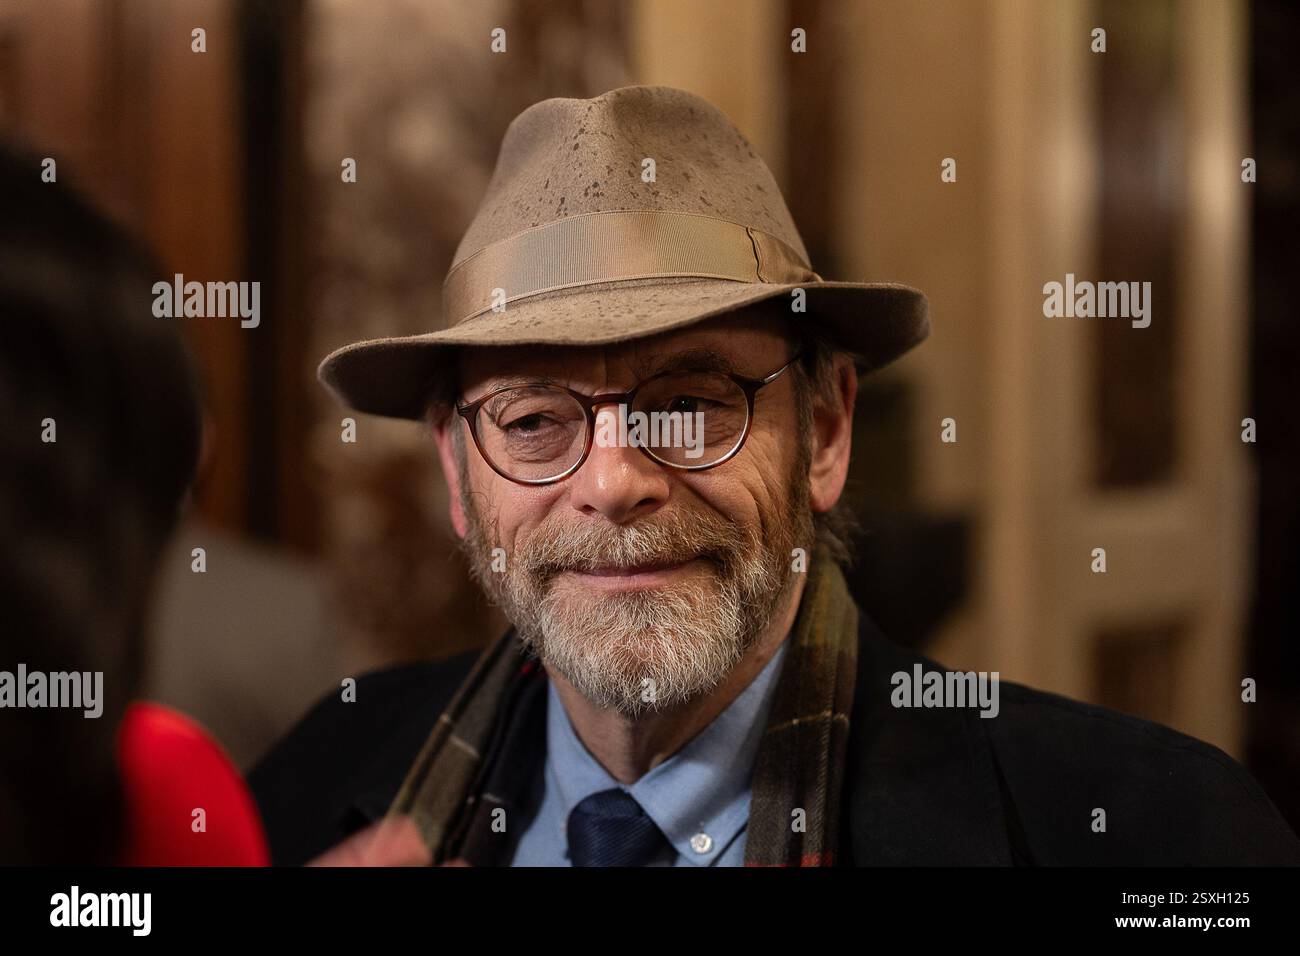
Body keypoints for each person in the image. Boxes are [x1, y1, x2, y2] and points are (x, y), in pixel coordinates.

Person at [249, 85, 1300, 866]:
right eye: (532, 419)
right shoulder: (309, 783)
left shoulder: (1160, 837)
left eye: (691, 401)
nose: (613, 482)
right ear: (455, 469)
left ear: (827, 431)